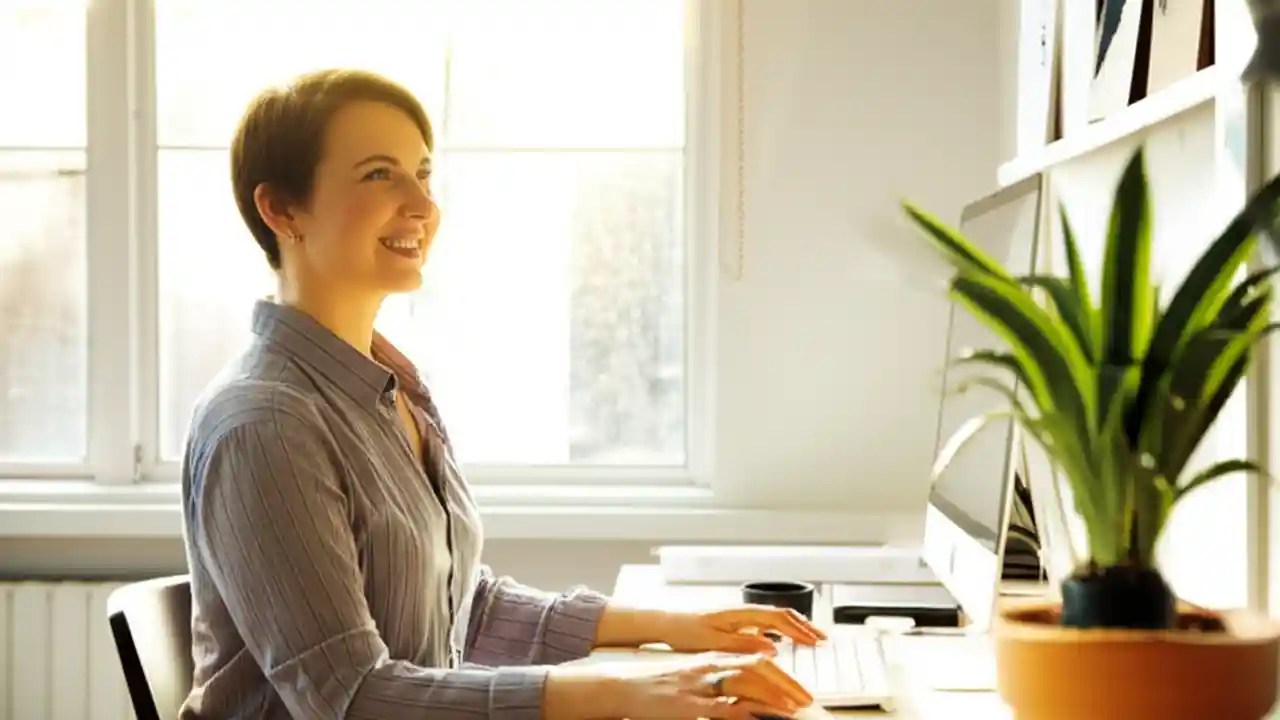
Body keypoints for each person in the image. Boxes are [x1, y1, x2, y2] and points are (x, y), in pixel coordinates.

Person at [178, 68, 823, 720]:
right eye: (379, 174)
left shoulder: (390, 391)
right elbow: (352, 698)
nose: (423, 205)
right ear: (282, 209)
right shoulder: (265, 425)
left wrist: (680, 627)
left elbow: (464, 607)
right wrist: (633, 690)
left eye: (423, 175)